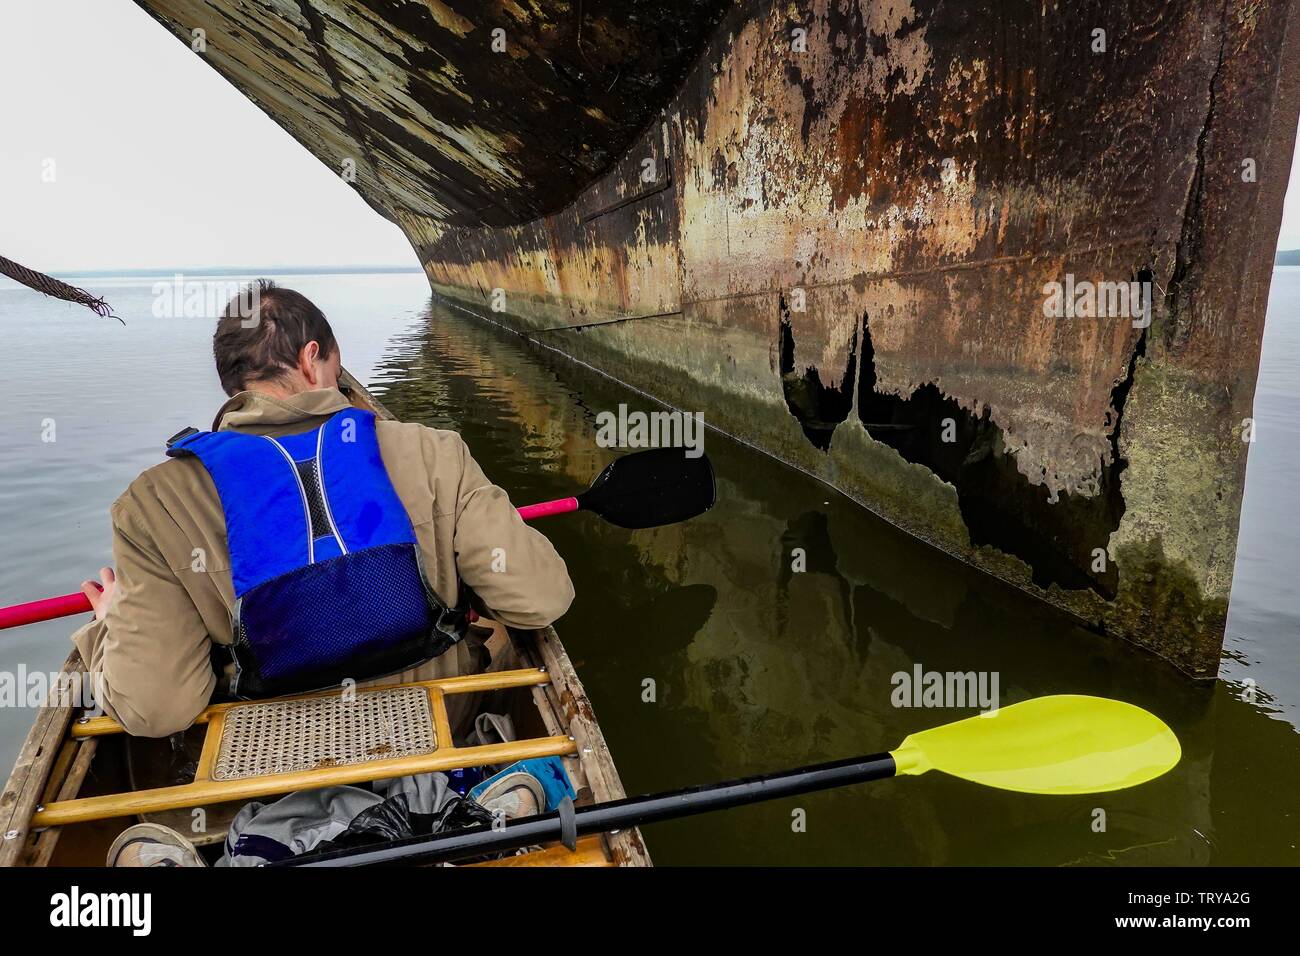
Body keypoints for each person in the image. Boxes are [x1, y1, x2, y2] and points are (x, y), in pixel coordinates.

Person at [72, 279, 575, 740]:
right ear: (313, 359)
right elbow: (540, 598)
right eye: (337, 365)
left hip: (269, 770)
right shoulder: (434, 451)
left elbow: (157, 709)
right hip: (436, 739)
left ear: (235, 385)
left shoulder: (152, 505)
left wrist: (109, 627)